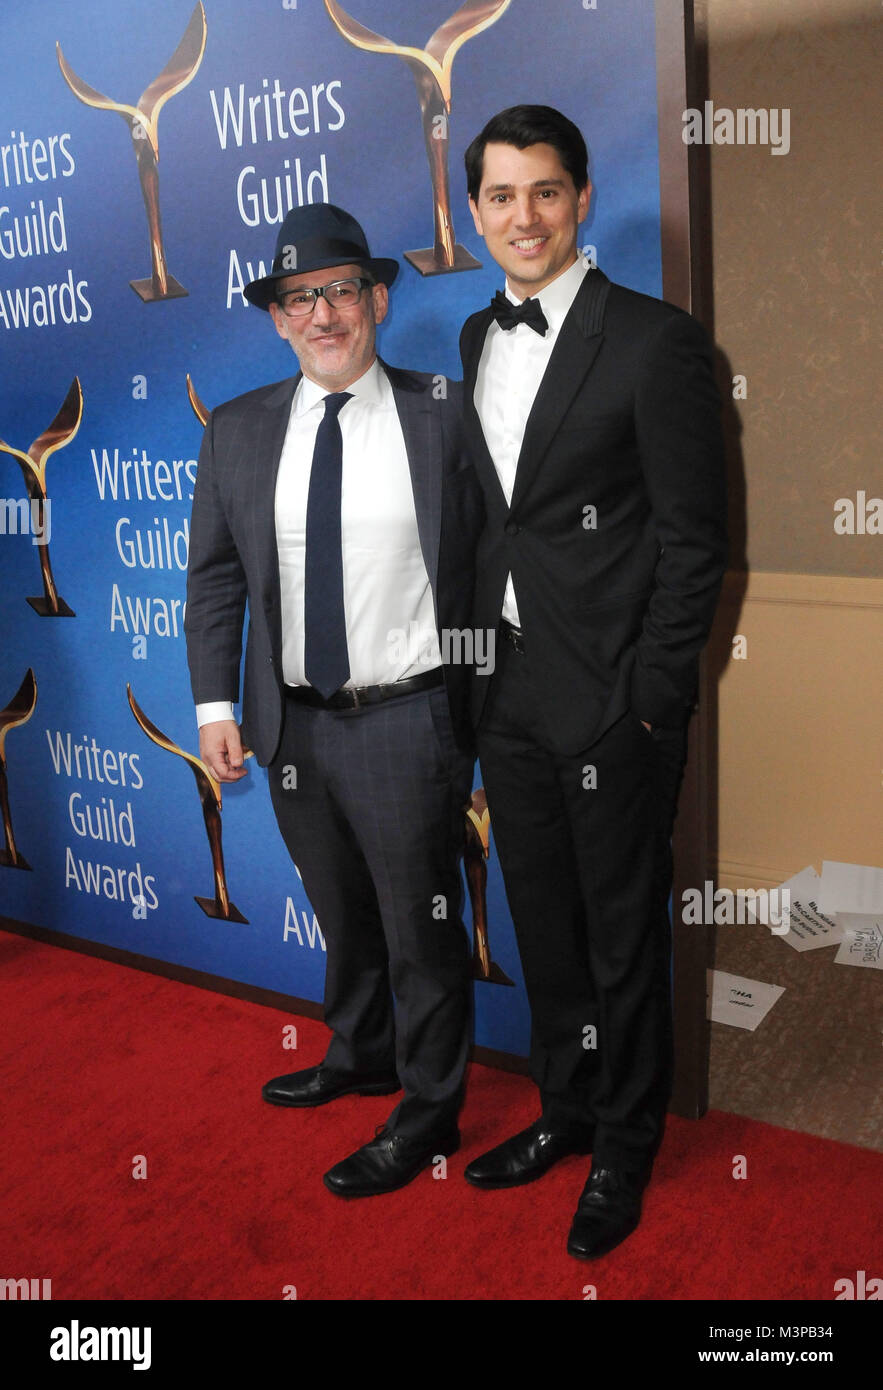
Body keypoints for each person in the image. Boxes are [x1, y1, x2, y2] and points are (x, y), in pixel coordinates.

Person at [458, 105, 727, 1257]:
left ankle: (624, 1145)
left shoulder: (654, 341)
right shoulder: (476, 337)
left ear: (578, 197)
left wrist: (653, 699)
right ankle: (564, 1113)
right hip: (508, 693)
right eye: (502, 195)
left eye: (546, 192)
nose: (525, 216)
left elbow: (693, 541)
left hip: (614, 703)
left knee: (622, 936)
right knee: (546, 926)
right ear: (474, 211)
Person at [185, 202, 482, 1197]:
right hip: (292, 724)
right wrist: (213, 709)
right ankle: (357, 1051)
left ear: (378, 299)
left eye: (341, 289)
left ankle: (430, 1108)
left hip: (408, 720)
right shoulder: (236, 430)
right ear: (276, 317)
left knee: (421, 926)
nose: (322, 313)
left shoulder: (443, 412)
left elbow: (493, 560)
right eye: (298, 297)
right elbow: (215, 580)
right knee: (342, 910)